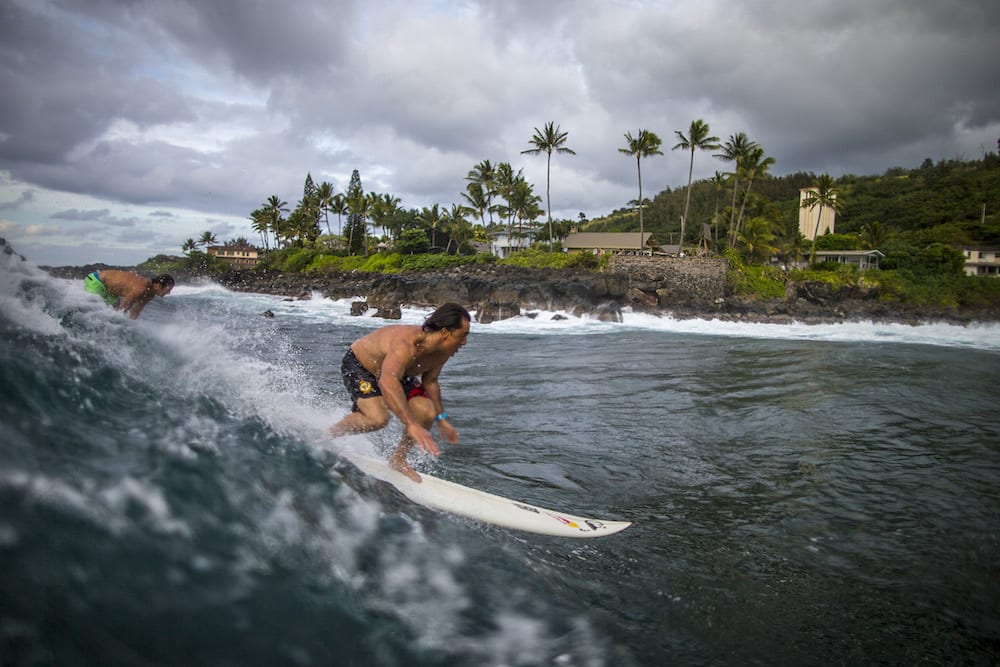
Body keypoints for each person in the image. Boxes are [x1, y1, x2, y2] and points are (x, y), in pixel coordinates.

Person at [329, 303, 471, 482]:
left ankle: (398, 459)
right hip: (362, 367)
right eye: (462, 335)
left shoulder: (443, 350)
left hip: (399, 373)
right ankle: (327, 436)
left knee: (426, 411)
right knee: (378, 419)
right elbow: (387, 381)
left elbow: (431, 381)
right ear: (444, 332)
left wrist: (441, 419)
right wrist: (410, 423)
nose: (465, 342)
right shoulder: (407, 343)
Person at [83, 269, 174, 319]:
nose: (169, 292)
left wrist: (131, 325)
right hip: (97, 281)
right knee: (96, 308)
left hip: (110, 291)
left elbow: (136, 311)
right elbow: (125, 304)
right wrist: (120, 321)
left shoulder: (151, 294)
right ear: (158, 285)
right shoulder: (141, 288)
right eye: (168, 289)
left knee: (110, 309)